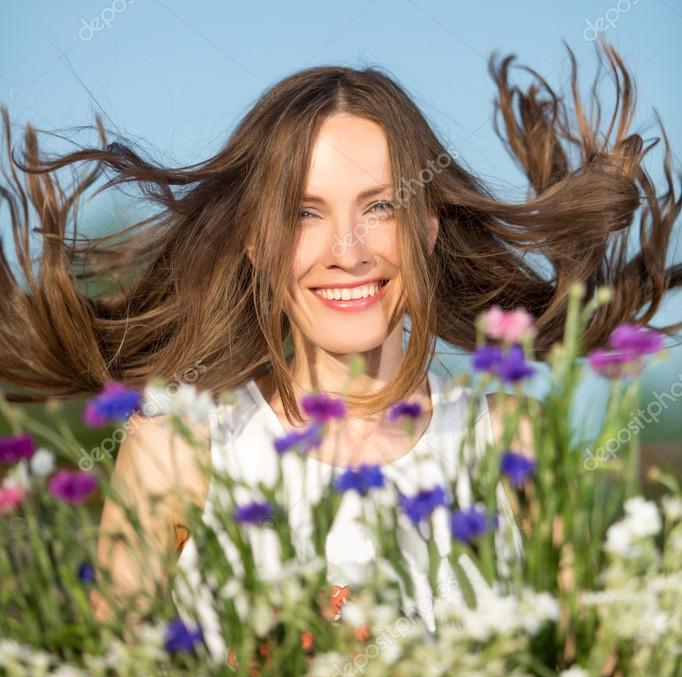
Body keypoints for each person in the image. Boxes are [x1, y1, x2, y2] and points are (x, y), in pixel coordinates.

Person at [0, 41, 680, 640]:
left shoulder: (511, 441)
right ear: (254, 241)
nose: (347, 252)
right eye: (304, 212)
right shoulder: (180, 447)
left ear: (432, 225)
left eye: (380, 206)